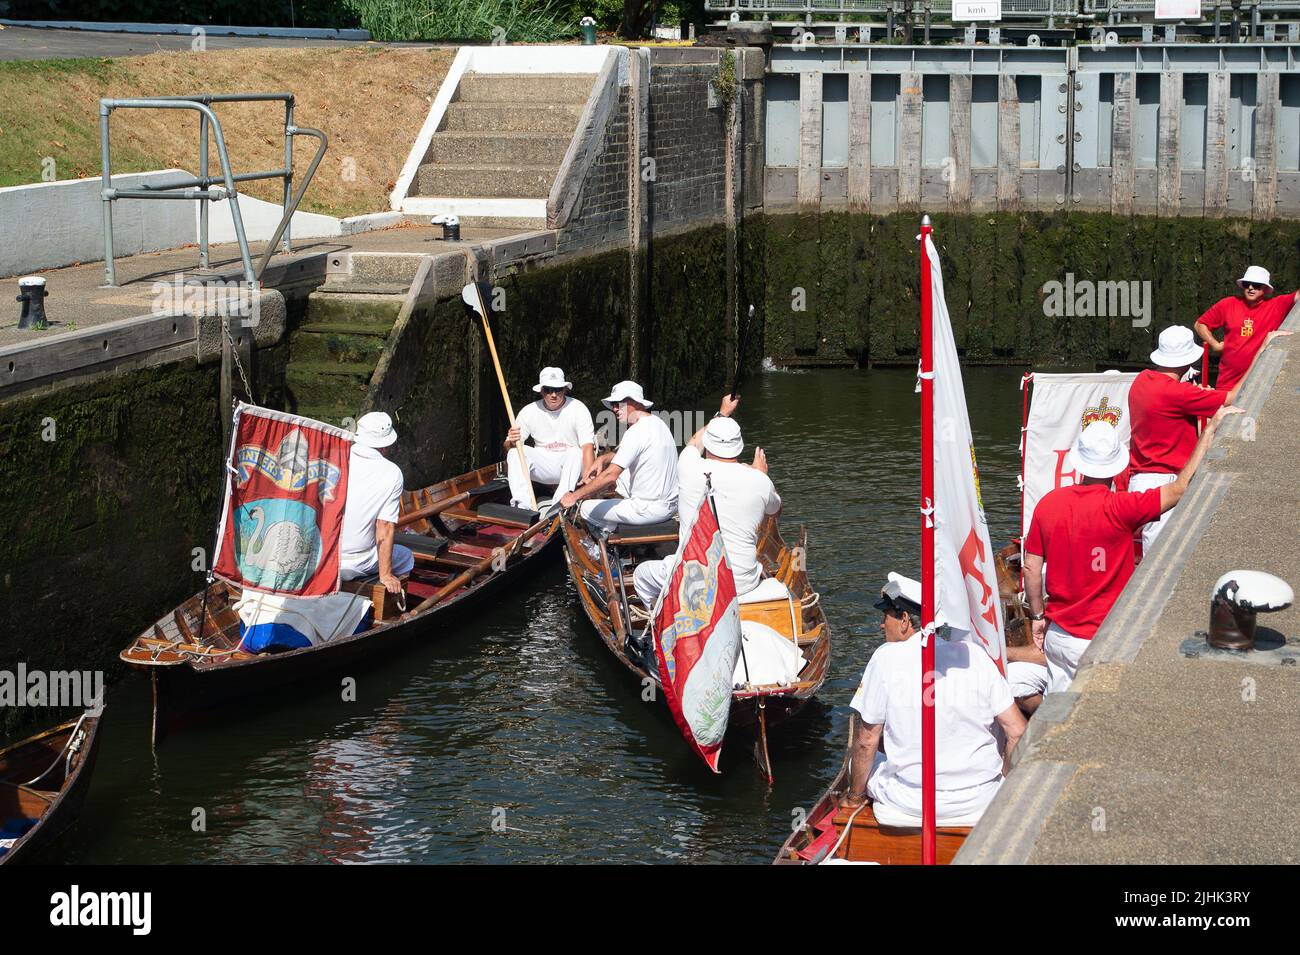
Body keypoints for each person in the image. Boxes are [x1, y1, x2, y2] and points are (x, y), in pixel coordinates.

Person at [1024, 408, 1239, 692]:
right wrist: (1209, 431)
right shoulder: (1121, 507)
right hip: (1100, 637)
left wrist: (1038, 617)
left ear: (1080, 464)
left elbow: (1030, 567)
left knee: (1054, 717)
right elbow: (1179, 489)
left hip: (1059, 636)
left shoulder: (1048, 503)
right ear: (1115, 466)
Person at [846, 572, 1027, 824]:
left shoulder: (885, 657)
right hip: (979, 798)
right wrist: (1004, 780)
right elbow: (1017, 732)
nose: (881, 625)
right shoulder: (975, 655)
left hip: (910, 800)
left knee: (857, 759)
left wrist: (854, 798)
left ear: (905, 619)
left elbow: (867, 741)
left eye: (884, 616)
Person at [1128, 324, 1287, 551]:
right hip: (1166, 481)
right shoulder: (1178, 393)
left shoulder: (1142, 380)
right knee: (1161, 555)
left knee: (1154, 554)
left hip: (1144, 481)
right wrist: (1260, 351)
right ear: (1186, 359)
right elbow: (1233, 396)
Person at [631, 394, 781, 610]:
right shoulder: (760, 481)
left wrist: (722, 412)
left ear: (710, 444)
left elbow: (694, 442)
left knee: (640, 576)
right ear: (739, 446)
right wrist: (762, 475)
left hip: (695, 580)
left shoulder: (688, 465)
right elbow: (775, 511)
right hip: (743, 584)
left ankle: (658, 618)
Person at [558, 380, 678, 534]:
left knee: (585, 509)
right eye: (613, 404)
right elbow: (629, 452)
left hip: (647, 510)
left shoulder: (635, 431)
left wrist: (574, 496)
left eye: (619, 403)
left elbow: (610, 475)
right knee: (622, 476)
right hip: (671, 506)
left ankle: (611, 539)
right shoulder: (658, 422)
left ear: (636, 402)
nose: (614, 408)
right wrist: (602, 458)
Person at [1193, 266, 1298, 393]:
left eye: (1257, 285)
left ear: (1265, 288)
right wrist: (1215, 345)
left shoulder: (1277, 305)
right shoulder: (1228, 304)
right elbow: (1200, 324)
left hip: (1259, 382)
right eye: (1247, 283)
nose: (1251, 287)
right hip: (1227, 382)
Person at [339, 411, 412, 593]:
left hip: (324, 556)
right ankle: (385, 606)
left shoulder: (337, 458)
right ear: (385, 446)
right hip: (357, 562)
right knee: (406, 556)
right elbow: (385, 525)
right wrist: (385, 574)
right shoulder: (392, 473)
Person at [504, 366, 595, 510]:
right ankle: (522, 507)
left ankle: (558, 506)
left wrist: (589, 481)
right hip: (544, 465)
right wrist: (511, 441)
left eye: (557, 389)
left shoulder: (578, 408)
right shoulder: (528, 411)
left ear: (565, 389)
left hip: (571, 466)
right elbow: (508, 447)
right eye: (548, 390)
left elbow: (588, 447)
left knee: (576, 452)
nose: (553, 394)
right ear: (541, 391)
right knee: (515, 452)